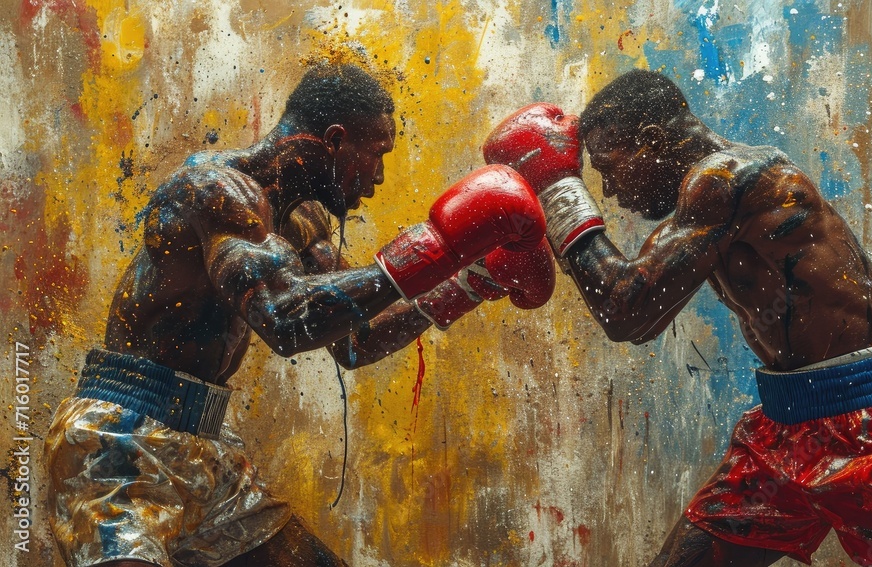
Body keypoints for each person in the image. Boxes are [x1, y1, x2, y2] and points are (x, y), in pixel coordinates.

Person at [43, 59, 556, 567]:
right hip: (119, 438)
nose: (379, 177)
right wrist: (436, 245)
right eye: (377, 155)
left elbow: (356, 340)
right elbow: (284, 320)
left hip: (204, 444)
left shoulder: (303, 220)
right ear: (335, 140)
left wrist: (470, 282)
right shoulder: (214, 190)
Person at [482, 69, 872, 566]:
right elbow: (633, 315)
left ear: (651, 141)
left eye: (609, 169)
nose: (610, 191)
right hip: (784, 424)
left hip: (870, 418)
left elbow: (627, 311)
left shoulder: (730, 180)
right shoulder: (705, 204)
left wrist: (558, 189)